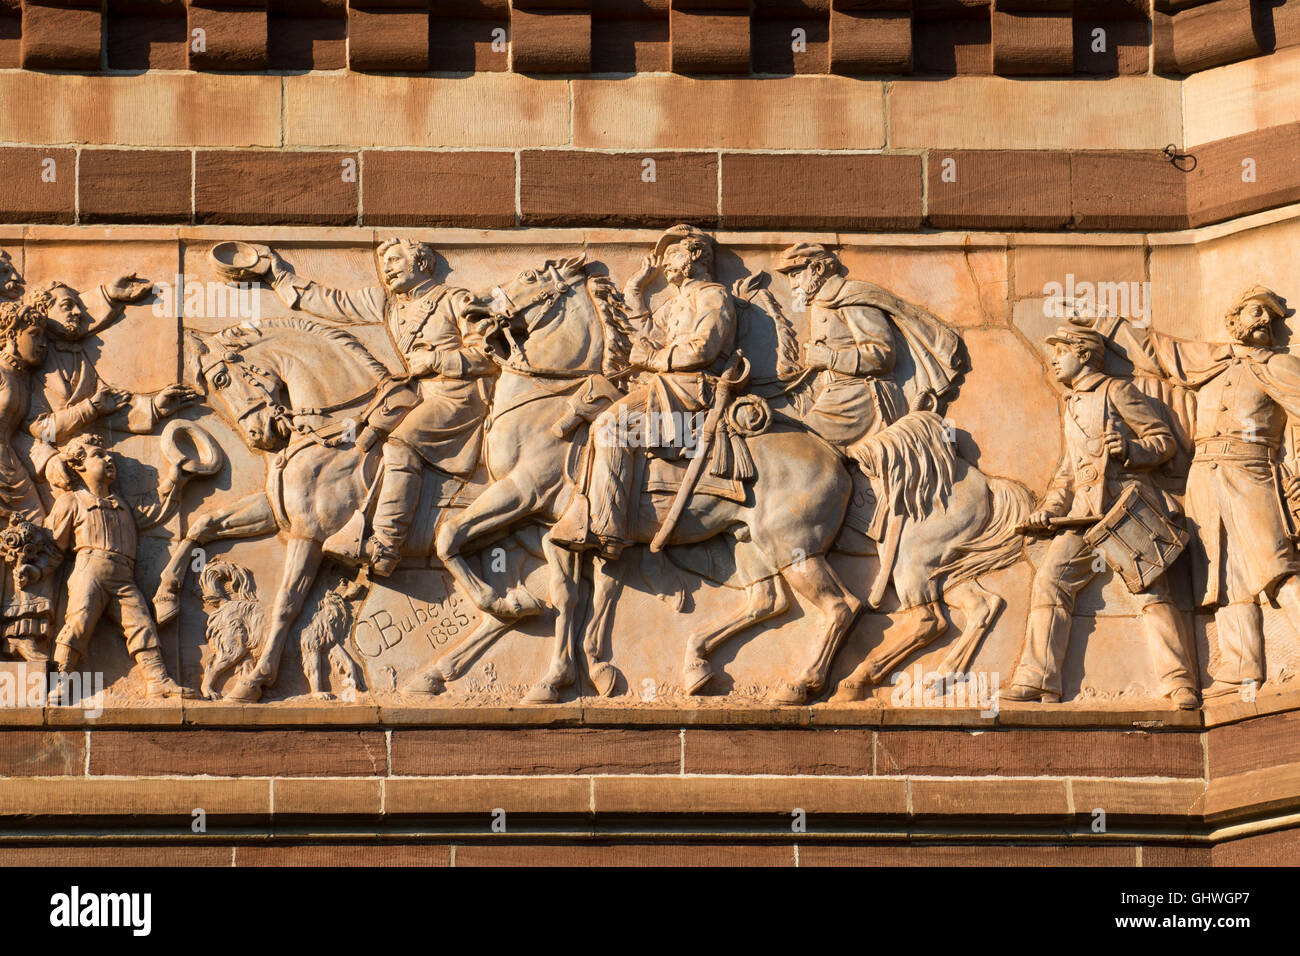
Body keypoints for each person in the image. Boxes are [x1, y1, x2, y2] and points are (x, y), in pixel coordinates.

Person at [1071, 287, 1300, 699]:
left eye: (1269, 316)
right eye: (1254, 312)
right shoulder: (1210, 361)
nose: (1264, 320)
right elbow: (1159, 351)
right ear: (1234, 322)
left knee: (1276, 565)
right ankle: (1241, 669)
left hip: (1253, 471)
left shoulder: (1282, 366)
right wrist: (1104, 323)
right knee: (1224, 579)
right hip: (1206, 476)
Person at [260, 239, 494, 576]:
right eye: (384, 263)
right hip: (411, 396)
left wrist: (437, 359)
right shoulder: (388, 304)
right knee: (355, 439)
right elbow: (333, 302)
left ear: (422, 262)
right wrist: (277, 276)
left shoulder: (454, 299)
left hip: (457, 398)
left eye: (396, 260)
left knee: (400, 444)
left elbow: (488, 352)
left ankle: (386, 544)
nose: (387, 269)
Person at [1002, 327, 1199, 709]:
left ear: (1084, 354)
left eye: (1061, 351)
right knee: (1050, 581)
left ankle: (1180, 683)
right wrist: (1050, 509)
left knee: (1151, 592)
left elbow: (1163, 441)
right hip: (1084, 516)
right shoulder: (1072, 403)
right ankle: (1039, 678)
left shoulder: (1117, 391)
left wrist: (1130, 449)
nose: (1055, 359)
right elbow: (1068, 470)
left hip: (1126, 510)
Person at [551, 224, 737, 558]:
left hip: (689, 392)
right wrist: (636, 288)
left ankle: (607, 530)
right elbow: (645, 330)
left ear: (696, 255)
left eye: (673, 254)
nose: (666, 263)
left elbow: (703, 349)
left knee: (611, 425)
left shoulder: (712, 294)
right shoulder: (678, 301)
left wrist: (653, 357)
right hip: (666, 384)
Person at [43, 434, 193, 698]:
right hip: (90, 571)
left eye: (107, 453)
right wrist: (36, 568)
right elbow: (52, 545)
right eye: (98, 455)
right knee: (79, 622)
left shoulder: (121, 502)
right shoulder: (71, 501)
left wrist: (175, 479)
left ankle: (157, 681)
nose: (108, 458)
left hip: (124, 576)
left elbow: (153, 512)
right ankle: (60, 680)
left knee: (141, 623)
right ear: (79, 466)